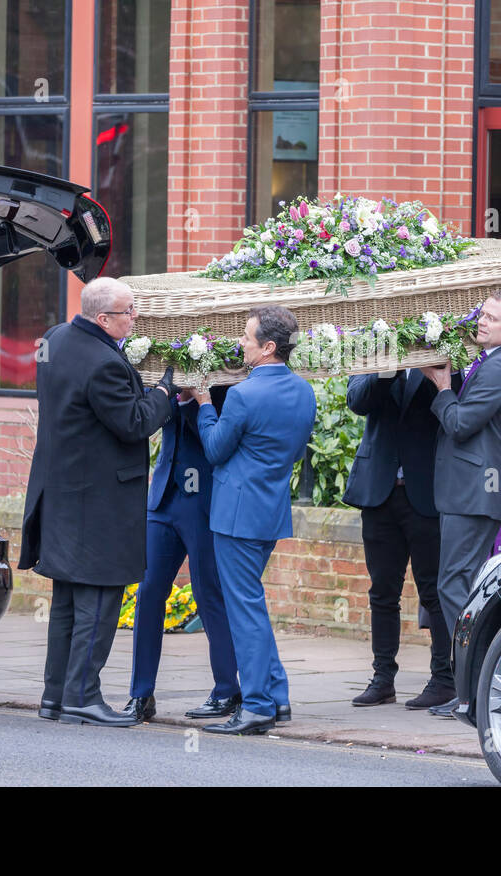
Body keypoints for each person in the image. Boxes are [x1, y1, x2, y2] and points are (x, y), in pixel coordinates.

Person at [20, 277, 176, 728]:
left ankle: (56, 697)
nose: (136, 318)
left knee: (68, 601)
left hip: (63, 493)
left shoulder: (56, 339)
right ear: (103, 318)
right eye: (129, 312)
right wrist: (164, 392)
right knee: (100, 602)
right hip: (99, 502)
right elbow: (134, 422)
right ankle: (83, 697)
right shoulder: (102, 364)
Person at [194, 305, 316, 736]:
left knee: (243, 610)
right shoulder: (305, 392)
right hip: (270, 511)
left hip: (236, 515)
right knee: (252, 604)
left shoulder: (244, 395)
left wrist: (205, 403)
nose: (241, 343)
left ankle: (259, 705)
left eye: (247, 337)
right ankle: (277, 697)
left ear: (267, 347)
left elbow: (214, 449)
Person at [420, 290, 501, 718]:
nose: (481, 322)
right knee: (460, 581)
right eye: (482, 314)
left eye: (491, 317)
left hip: (474, 491)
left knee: (455, 584)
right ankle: (473, 686)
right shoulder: (496, 360)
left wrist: (444, 387)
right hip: (470, 488)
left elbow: (461, 424)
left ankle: (472, 686)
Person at [342, 365, 461, 710]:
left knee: (434, 591)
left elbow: (453, 399)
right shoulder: (375, 353)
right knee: (382, 591)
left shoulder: (441, 350)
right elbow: (357, 401)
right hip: (379, 491)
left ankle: (444, 679)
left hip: (426, 492)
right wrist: (387, 368)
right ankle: (383, 679)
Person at [123, 384, 240, 724]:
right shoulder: (168, 373)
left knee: (209, 596)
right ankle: (141, 694)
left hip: (201, 501)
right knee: (147, 593)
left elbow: (214, 441)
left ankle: (226, 691)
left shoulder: (224, 383)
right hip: (163, 499)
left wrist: (192, 400)